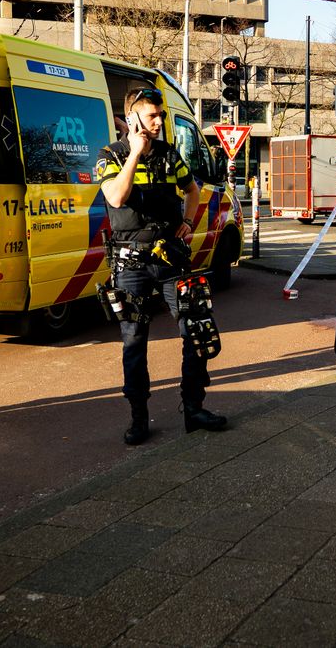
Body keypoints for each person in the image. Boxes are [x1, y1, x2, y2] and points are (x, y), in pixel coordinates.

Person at [96, 86, 227, 445]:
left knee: (197, 327)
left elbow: (193, 190)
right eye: (152, 115)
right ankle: (139, 418)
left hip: (169, 255)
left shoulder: (170, 155)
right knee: (134, 341)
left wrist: (188, 222)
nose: (159, 121)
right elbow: (116, 196)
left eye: (161, 115)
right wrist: (135, 154)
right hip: (131, 263)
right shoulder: (109, 156)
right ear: (133, 117)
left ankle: (194, 407)